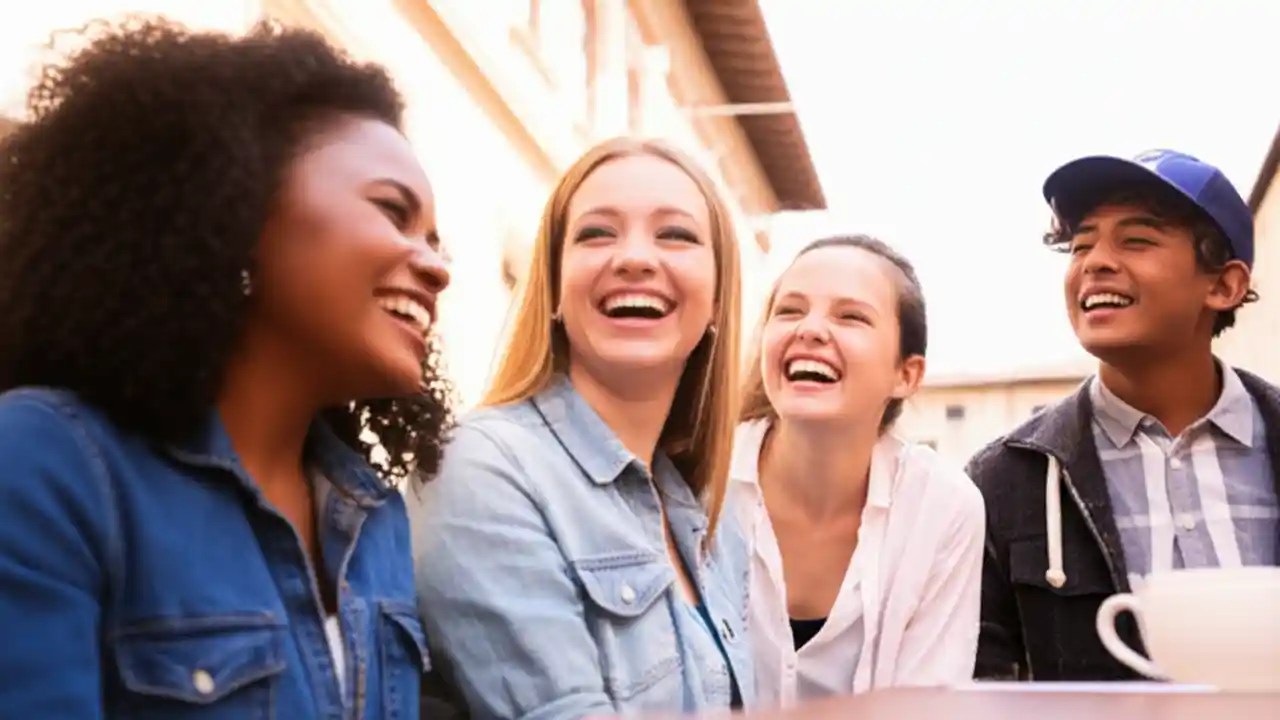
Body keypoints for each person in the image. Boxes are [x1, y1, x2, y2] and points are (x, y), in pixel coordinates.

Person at [0, 20, 453, 718]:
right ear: (238, 211)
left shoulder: (376, 518)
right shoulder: (49, 462)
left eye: (435, 240)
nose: (436, 266)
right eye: (393, 212)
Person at [412, 137, 750, 719]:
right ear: (554, 291)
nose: (636, 258)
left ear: (718, 299)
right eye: (597, 233)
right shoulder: (481, 468)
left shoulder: (712, 520)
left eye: (676, 234)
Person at [970, 149, 1280, 681]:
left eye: (1136, 240)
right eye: (1080, 244)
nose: (1095, 262)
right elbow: (980, 683)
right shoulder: (1001, 482)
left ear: (1224, 285)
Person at [731, 235, 985, 705]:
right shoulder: (698, 481)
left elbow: (921, 707)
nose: (809, 329)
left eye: (850, 316)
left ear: (905, 375)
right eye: (789, 310)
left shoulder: (944, 507)